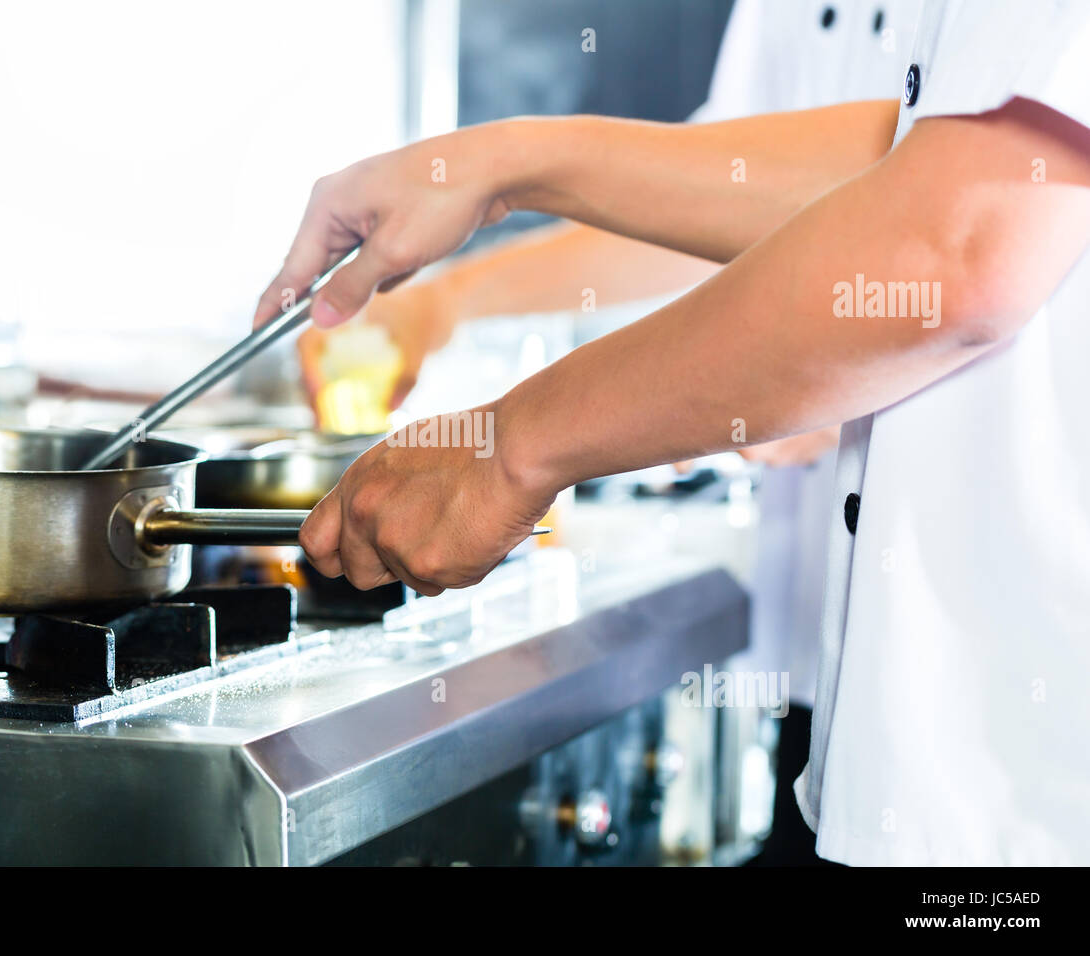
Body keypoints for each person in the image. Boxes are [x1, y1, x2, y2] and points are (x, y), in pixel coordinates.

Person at [253, 0, 1090, 865]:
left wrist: (512, 449)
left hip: (1027, 787)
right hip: (917, 755)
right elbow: (880, 175)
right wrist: (503, 168)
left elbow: (952, 243)